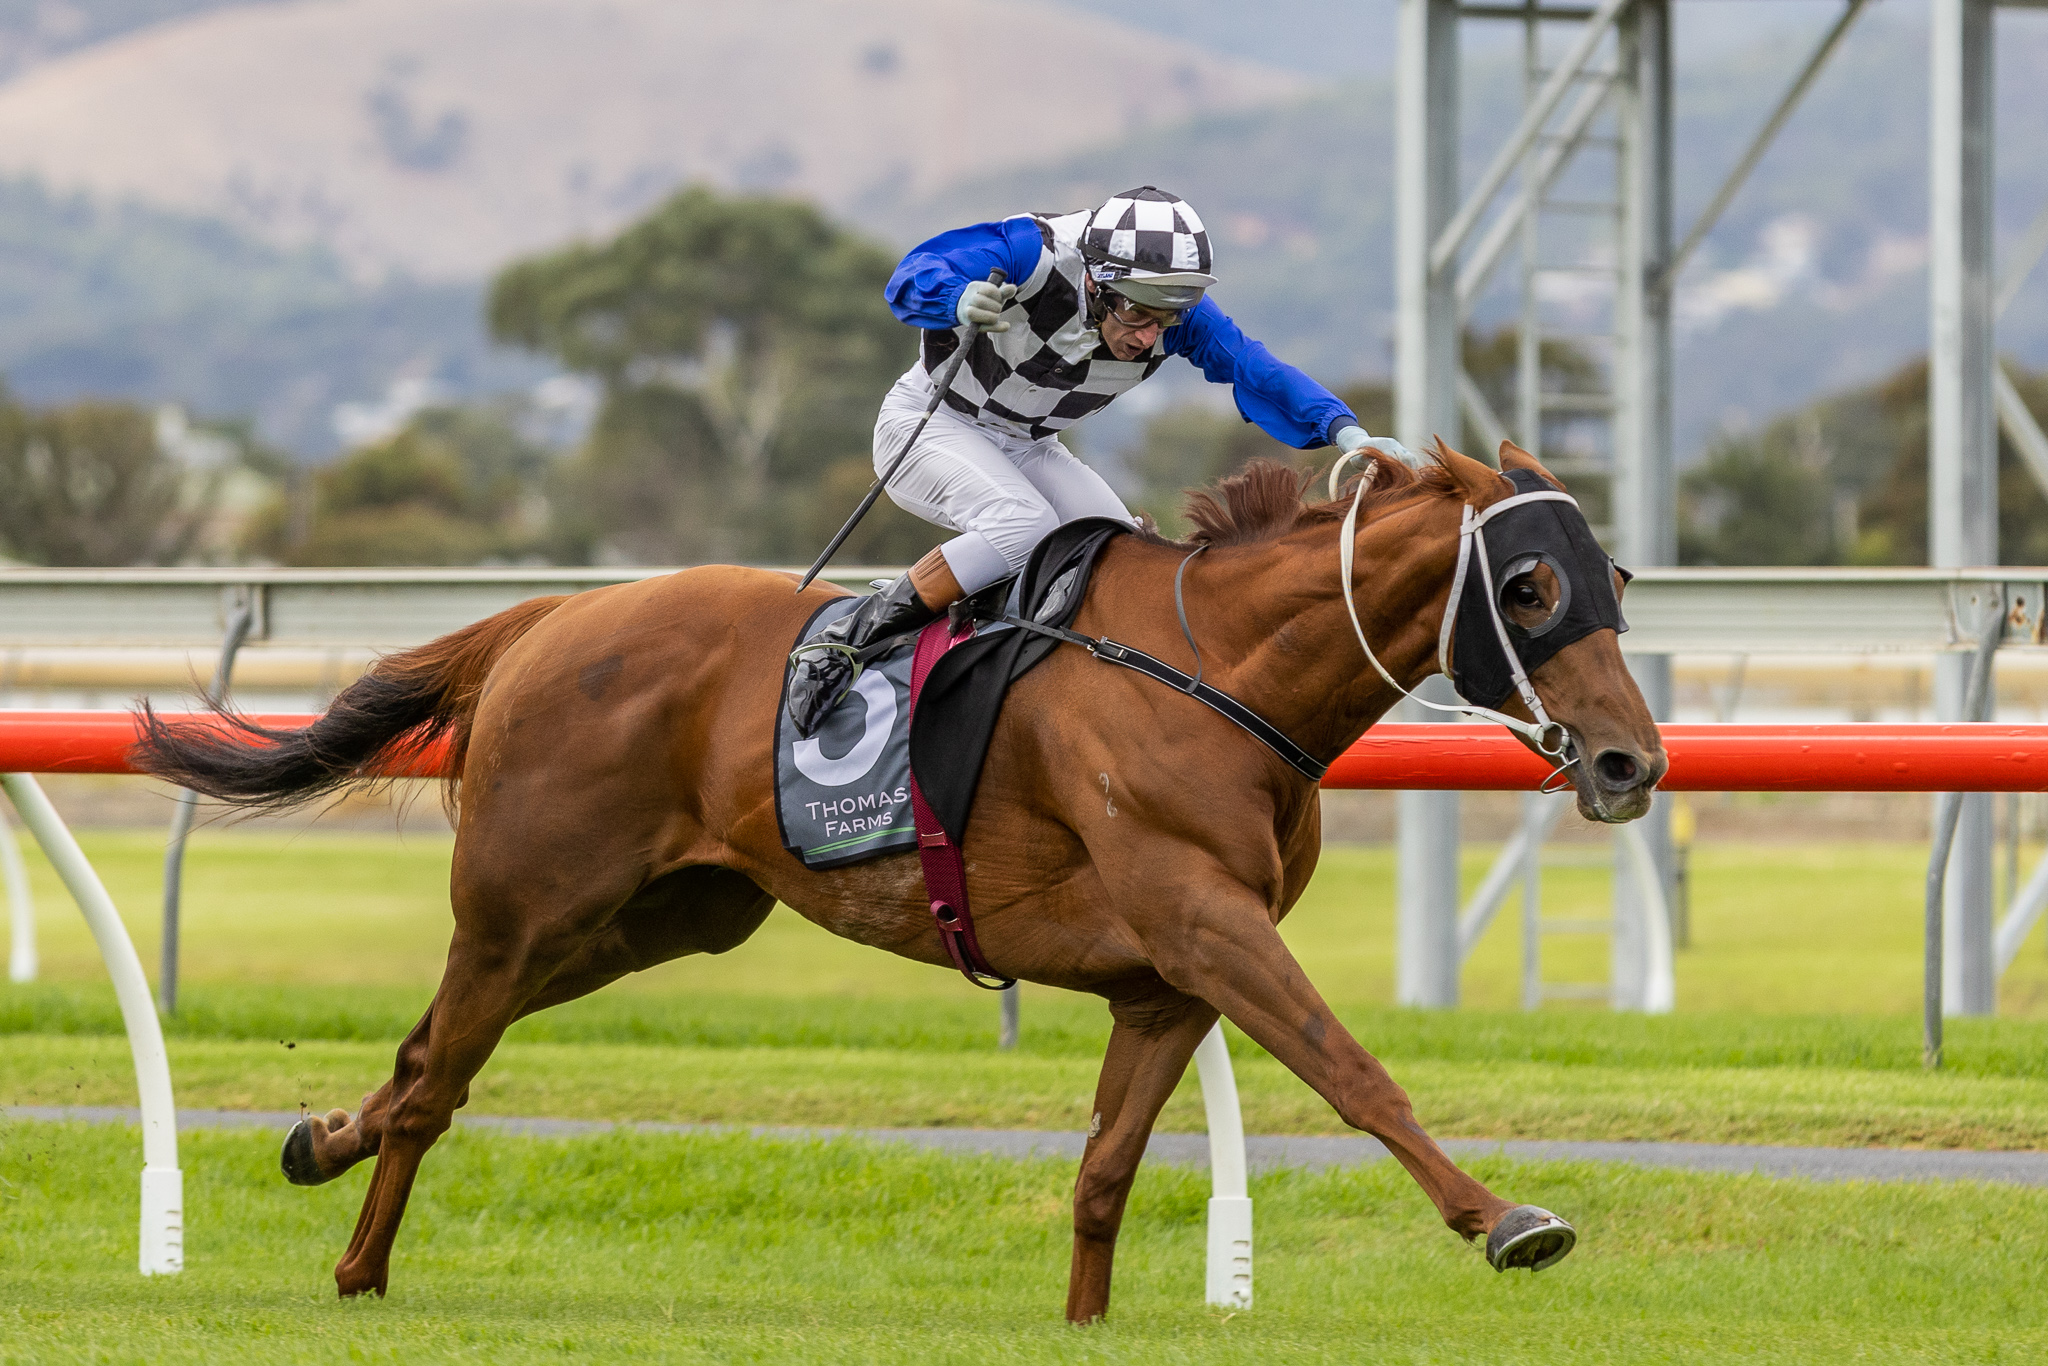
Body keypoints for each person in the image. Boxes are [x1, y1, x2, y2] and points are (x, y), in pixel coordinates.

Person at [787, 186, 1405, 736]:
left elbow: (1255, 367)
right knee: (1022, 525)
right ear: (1094, 282)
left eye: (1167, 320)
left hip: (1029, 445)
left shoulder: (1175, 320)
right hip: (930, 424)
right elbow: (918, 269)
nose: (1148, 336)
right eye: (1136, 313)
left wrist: (1345, 429)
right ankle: (848, 639)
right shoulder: (1032, 251)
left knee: (1125, 558)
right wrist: (955, 297)